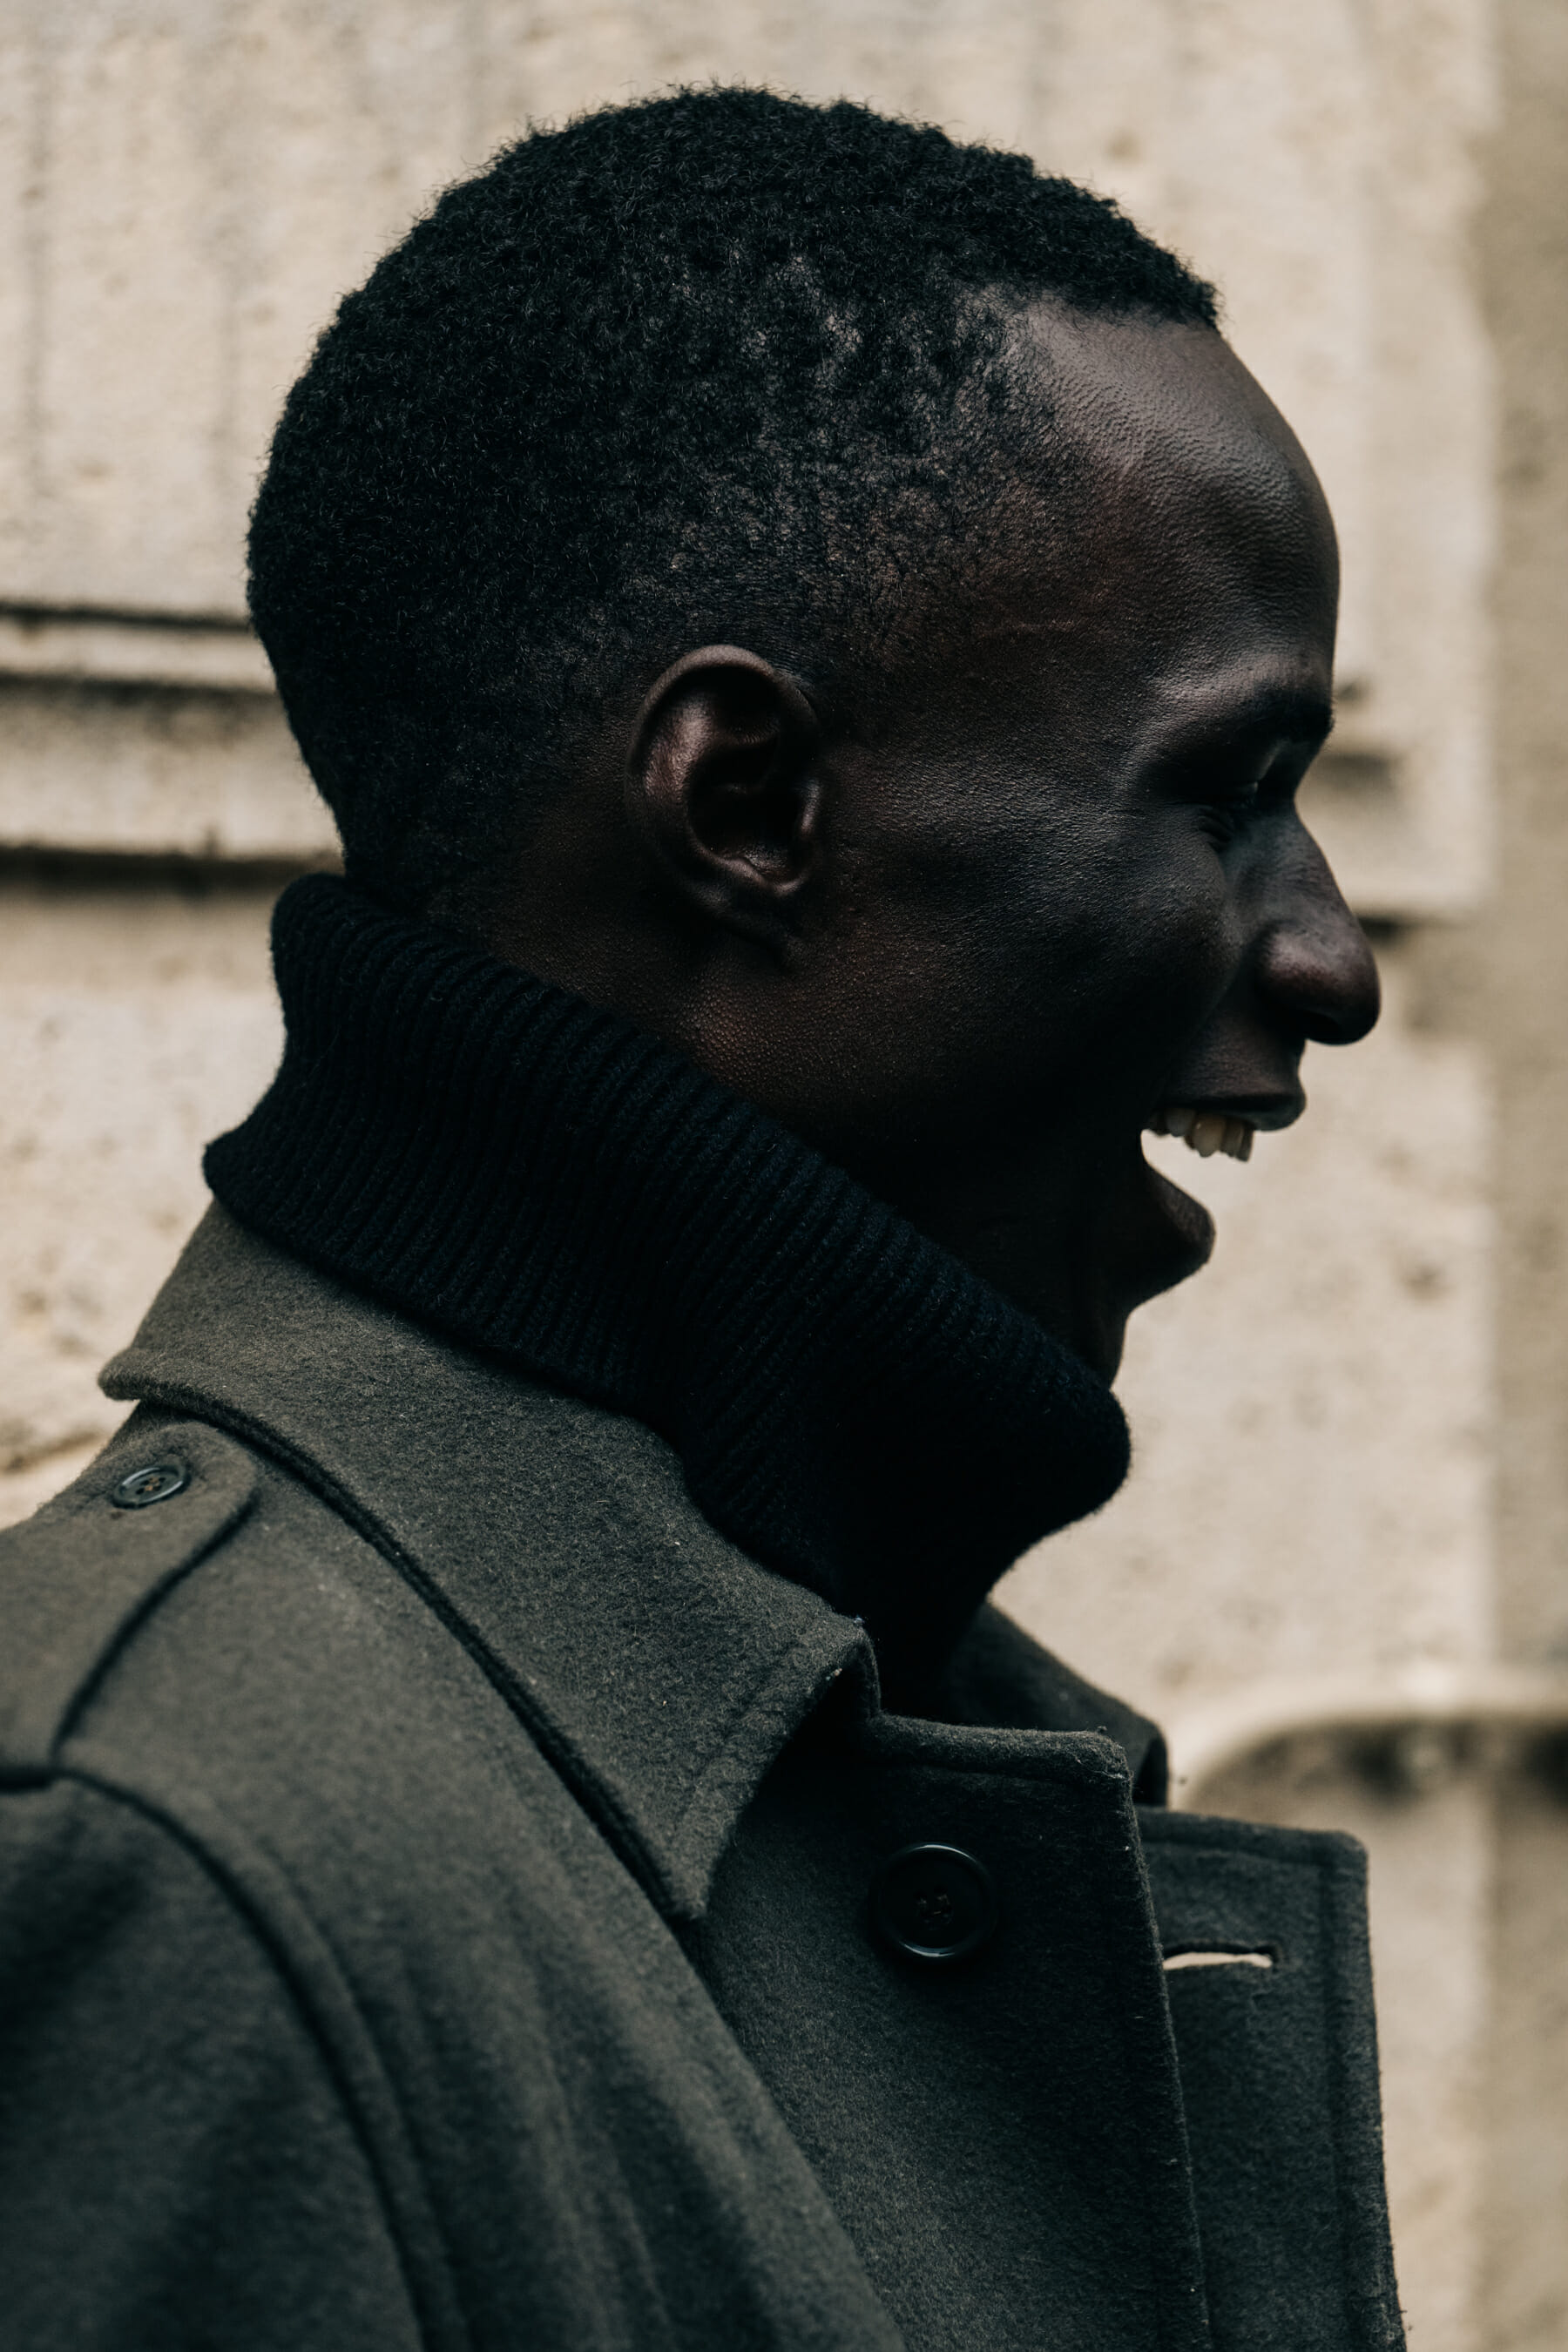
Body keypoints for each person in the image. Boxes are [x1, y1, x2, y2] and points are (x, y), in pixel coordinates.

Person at [0, 88, 1397, 2350]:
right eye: (1230, 795)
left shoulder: (883, 1715)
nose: (1333, 956)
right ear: (749, 805)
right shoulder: (157, 1855)